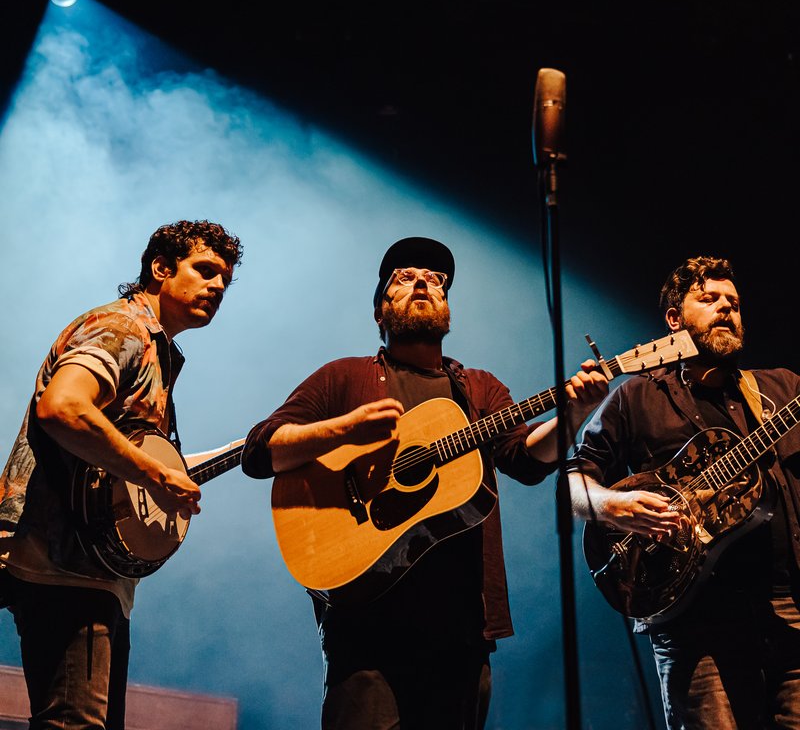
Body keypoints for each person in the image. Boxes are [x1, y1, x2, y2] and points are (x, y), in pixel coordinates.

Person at [242, 236, 607, 729]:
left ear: (447, 309)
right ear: (380, 310)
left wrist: (574, 414)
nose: (423, 284)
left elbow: (525, 460)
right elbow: (260, 450)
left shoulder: (479, 389)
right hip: (365, 627)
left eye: (436, 281)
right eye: (404, 278)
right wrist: (344, 430)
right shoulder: (343, 377)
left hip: (460, 628)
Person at [0, 219, 243, 729]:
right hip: (62, 565)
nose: (218, 285)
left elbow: (133, 463)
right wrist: (156, 476)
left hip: (90, 570)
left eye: (225, 278)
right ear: (161, 268)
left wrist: (245, 449)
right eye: (205, 270)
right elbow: (63, 408)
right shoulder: (122, 329)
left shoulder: (156, 349)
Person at [569, 255, 800, 729]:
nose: (726, 308)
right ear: (674, 320)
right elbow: (572, 482)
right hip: (693, 620)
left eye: (734, 301)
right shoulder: (636, 396)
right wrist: (613, 505)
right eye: (709, 298)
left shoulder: (781, 389)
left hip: (787, 609)